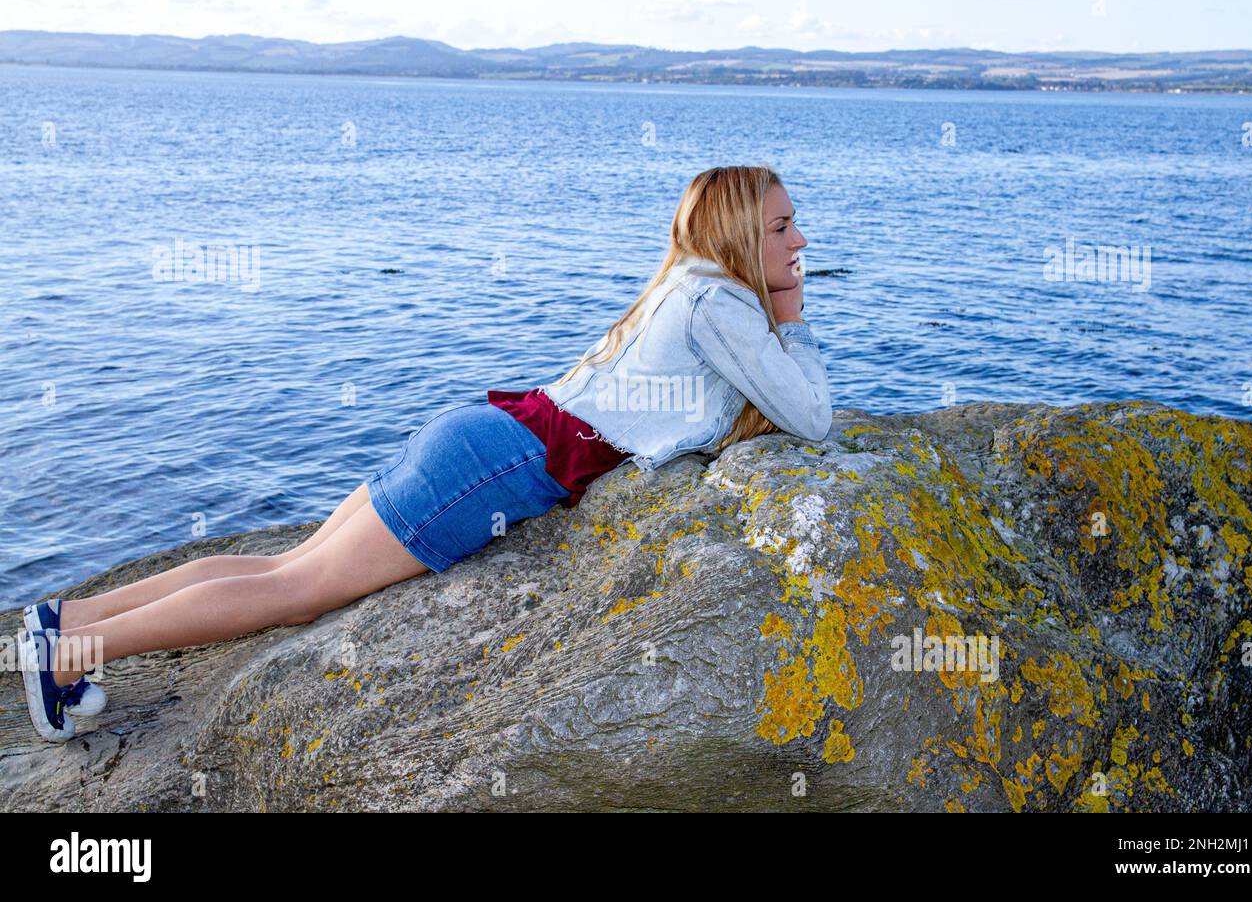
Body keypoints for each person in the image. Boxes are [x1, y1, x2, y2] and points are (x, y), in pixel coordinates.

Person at [17, 164, 831, 743]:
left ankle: (69, 620)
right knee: (297, 590)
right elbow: (811, 416)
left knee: (281, 565)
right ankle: (65, 653)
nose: (800, 238)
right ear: (733, 234)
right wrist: (790, 310)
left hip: (484, 431)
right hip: (501, 465)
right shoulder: (725, 304)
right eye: (782, 226)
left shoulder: (690, 281)